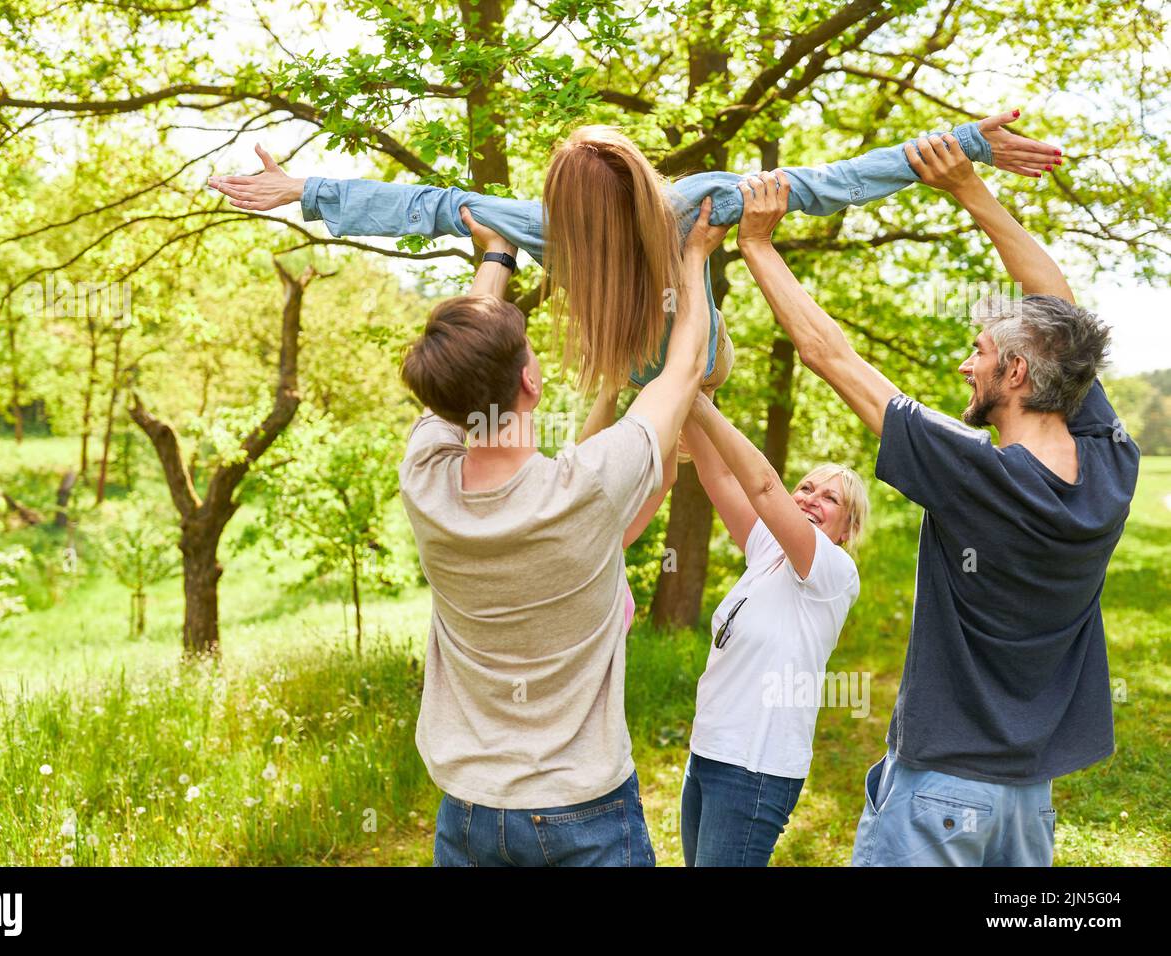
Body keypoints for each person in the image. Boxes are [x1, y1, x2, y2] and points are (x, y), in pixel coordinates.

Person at [731, 137, 1139, 866]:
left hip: (940, 795)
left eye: (978, 350)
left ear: (1015, 371)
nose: (965, 363)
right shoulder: (1110, 463)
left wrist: (758, 245)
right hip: (1028, 803)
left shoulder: (974, 477)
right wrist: (969, 190)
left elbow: (833, 358)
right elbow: (1060, 316)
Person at [207, 112, 1060, 395]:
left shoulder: (689, 202)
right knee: (635, 427)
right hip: (628, 357)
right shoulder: (562, 219)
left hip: (694, 355)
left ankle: (678, 417)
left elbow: (834, 179)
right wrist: (306, 193)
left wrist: (961, 145)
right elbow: (425, 205)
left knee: (683, 398)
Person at [393, 196, 731, 866]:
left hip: (466, 811)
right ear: (531, 380)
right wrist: (694, 259)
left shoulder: (424, 480)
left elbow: (458, 374)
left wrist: (496, 255)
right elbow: (685, 366)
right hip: (581, 813)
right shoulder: (587, 487)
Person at [675, 394, 867, 866]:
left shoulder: (831, 570)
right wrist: (683, 385)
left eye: (830, 498)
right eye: (805, 488)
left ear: (846, 528)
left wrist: (701, 406)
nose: (810, 499)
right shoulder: (768, 552)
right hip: (708, 754)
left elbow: (763, 487)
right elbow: (717, 475)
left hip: (753, 771)